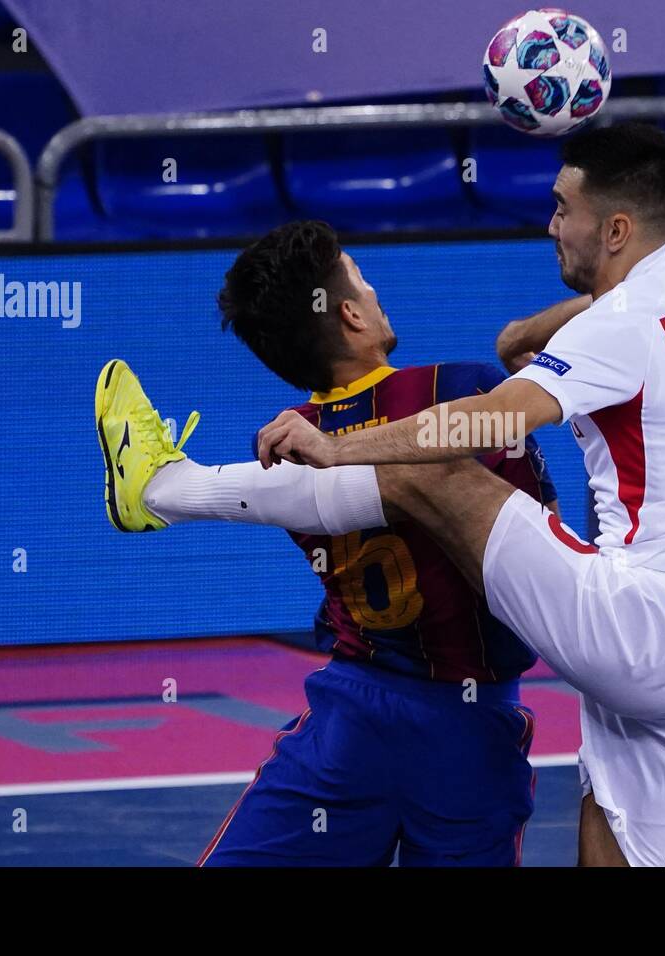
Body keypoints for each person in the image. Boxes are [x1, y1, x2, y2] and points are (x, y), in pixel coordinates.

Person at [101, 122, 665, 866]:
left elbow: (488, 420)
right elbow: (587, 324)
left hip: (638, 621)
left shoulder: (600, 335)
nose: (551, 223)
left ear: (616, 229)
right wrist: (526, 334)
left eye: (564, 208)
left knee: (439, 466)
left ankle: (167, 487)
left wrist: (338, 447)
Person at [100, 221, 562, 866]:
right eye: (364, 283)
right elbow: (541, 547)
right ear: (350, 315)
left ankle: (164, 490)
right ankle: (164, 491)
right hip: (470, 730)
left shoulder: (285, 443)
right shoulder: (462, 390)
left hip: (350, 724)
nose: (374, 294)